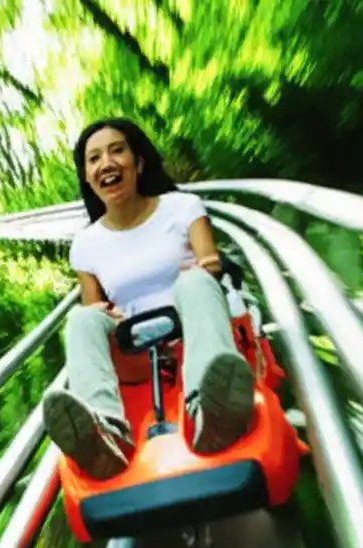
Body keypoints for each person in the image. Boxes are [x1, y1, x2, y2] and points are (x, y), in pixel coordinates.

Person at [41, 118, 255, 479]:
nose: (106, 163)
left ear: (138, 162)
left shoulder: (183, 207)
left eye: (116, 151)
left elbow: (210, 264)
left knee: (195, 282)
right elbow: (95, 307)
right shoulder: (85, 245)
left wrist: (207, 268)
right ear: (89, 177)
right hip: (137, 352)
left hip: (193, 334)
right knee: (80, 318)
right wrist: (106, 315)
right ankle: (105, 433)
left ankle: (210, 409)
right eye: (94, 159)